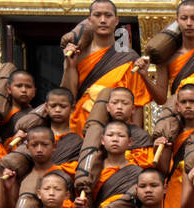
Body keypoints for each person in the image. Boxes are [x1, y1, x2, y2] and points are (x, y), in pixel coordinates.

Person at [61, 0, 156, 134]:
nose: (103, 20)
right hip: (80, 126)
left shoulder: (128, 57)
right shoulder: (78, 55)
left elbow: (137, 103)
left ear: (116, 20)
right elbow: (68, 96)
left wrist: (136, 138)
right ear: (89, 20)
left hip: (116, 131)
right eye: (98, 15)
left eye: (108, 15)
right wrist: (69, 66)